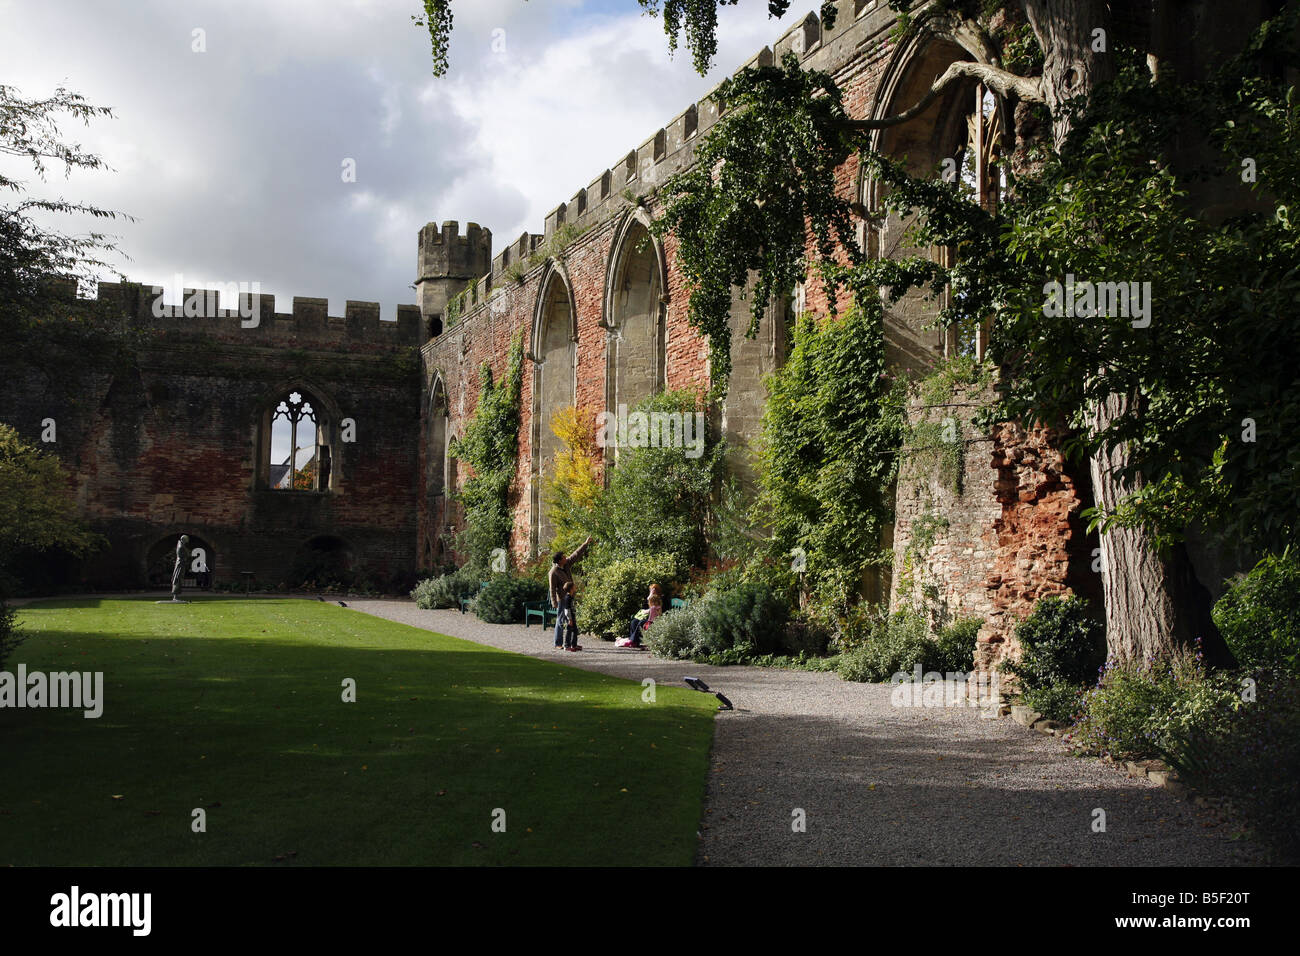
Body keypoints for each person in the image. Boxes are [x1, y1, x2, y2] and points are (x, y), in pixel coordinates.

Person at [549, 536, 592, 651]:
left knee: (572, 621)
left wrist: (585, 543)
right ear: (559, 560)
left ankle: (571, 644)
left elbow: (576, 554)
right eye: (563, 557)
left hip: (570, 597)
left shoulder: (566, 564)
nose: (566, 557)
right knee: (560, 620)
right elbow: (552, 588)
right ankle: (558, 643)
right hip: (562, 598)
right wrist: (554, 602)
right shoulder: (554, 572)